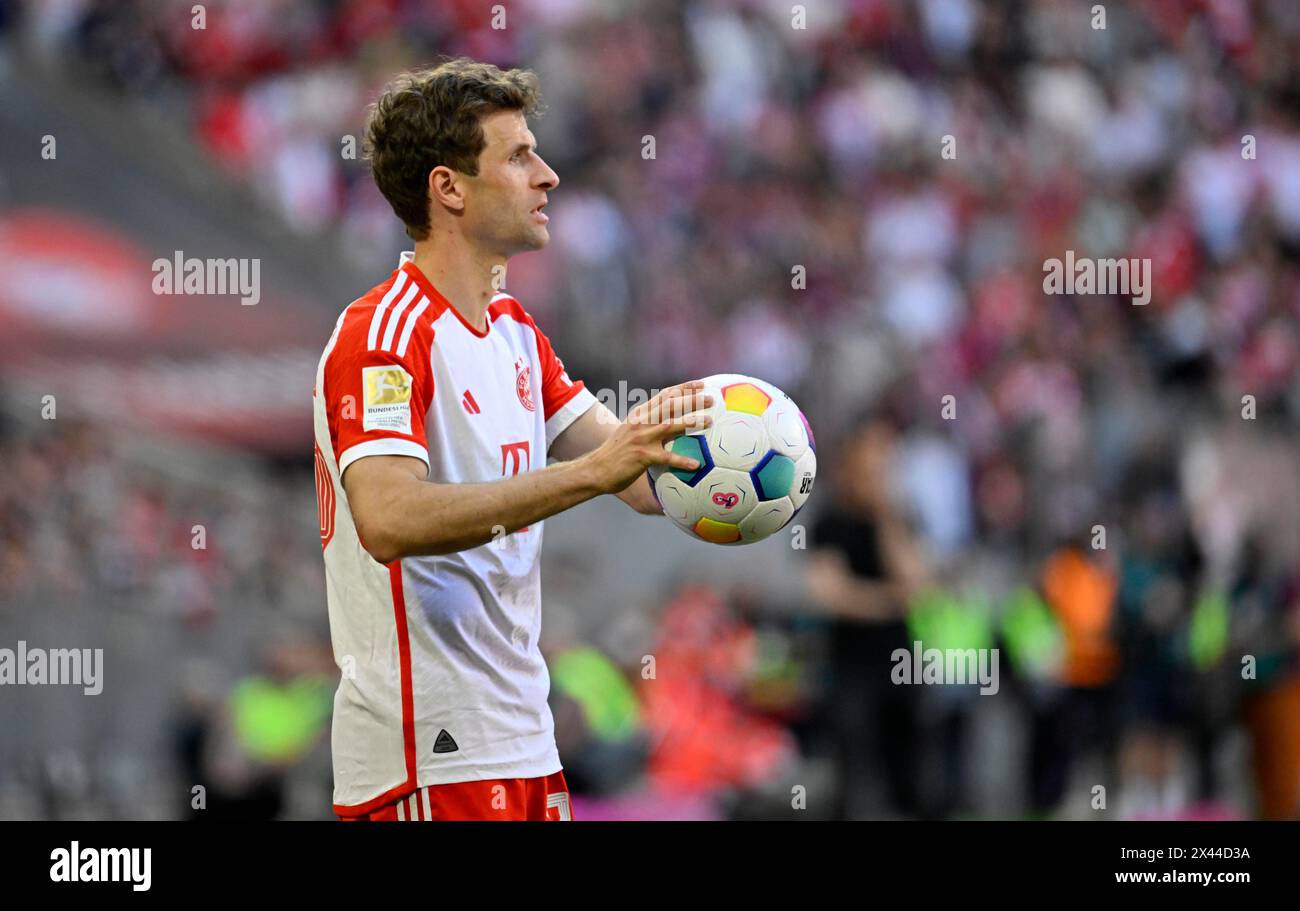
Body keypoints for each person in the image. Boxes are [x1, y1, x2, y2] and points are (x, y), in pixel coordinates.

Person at [312, 58, 710, 821]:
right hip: (429, 753)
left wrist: (723, 439)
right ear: (449, 188)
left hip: (525, 741)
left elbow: (634, 475)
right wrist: (596, 470)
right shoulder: (384, 335)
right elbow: (389, 519)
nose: (549, 175)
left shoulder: (516, 332)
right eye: (520, 155)